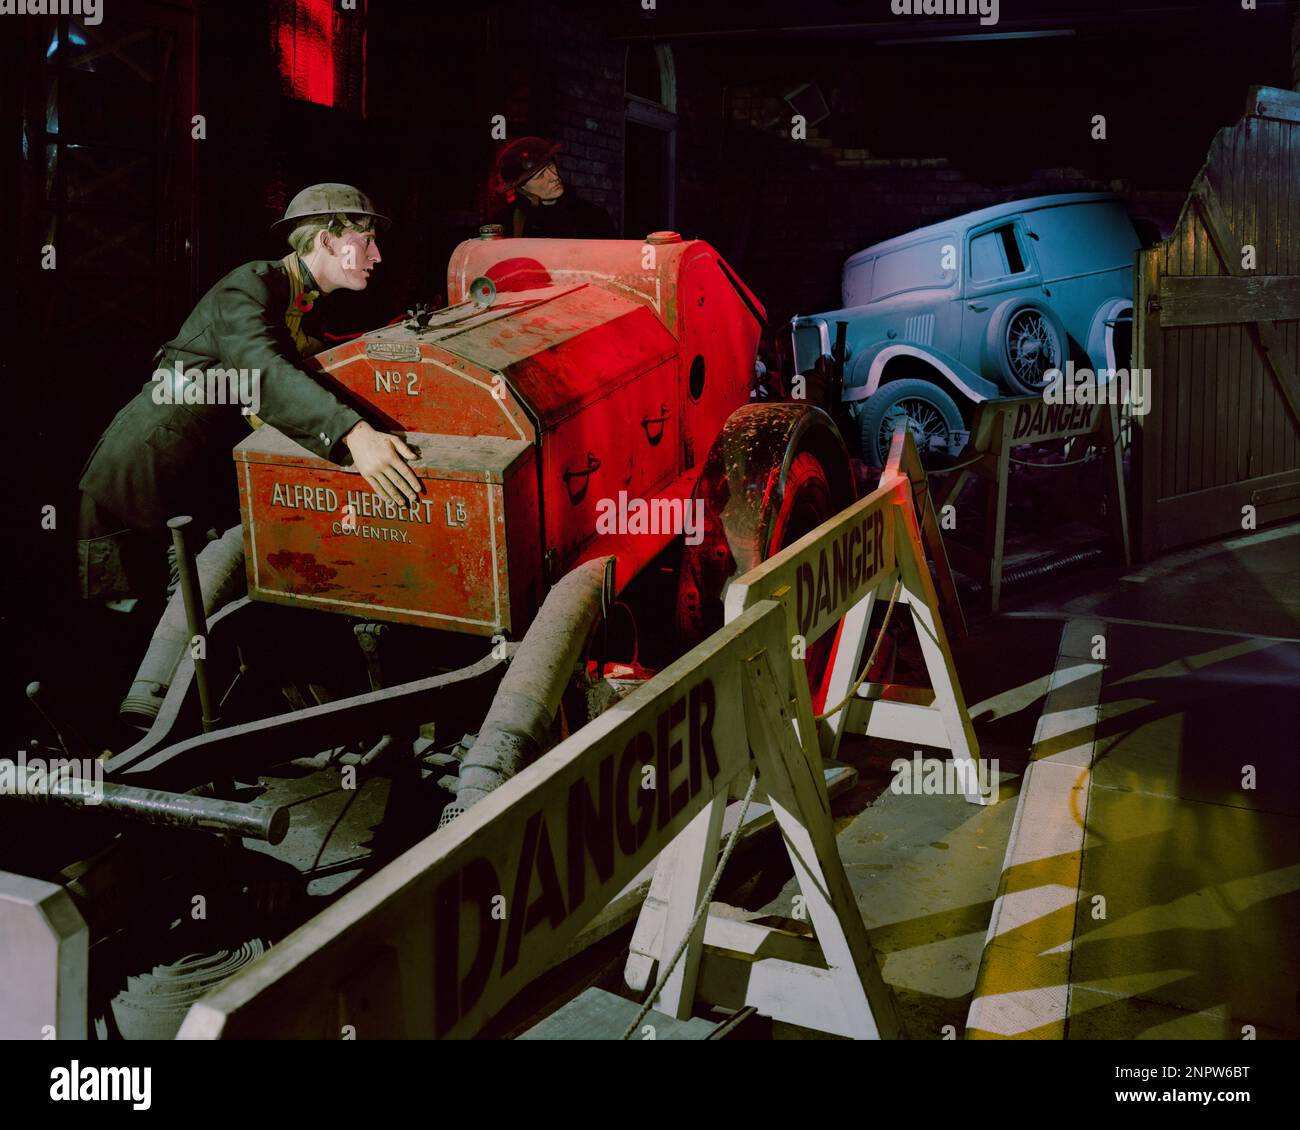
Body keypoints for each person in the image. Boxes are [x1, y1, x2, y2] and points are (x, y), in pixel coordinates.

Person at [76, 183, 422, 604]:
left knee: (197, 617)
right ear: (328, 241)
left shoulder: (302, 303)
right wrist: (353, 434)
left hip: (194, 481)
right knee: (143, 637)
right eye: (366, 241)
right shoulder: (250, 286)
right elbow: (262, 370)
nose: (377, 256)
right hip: (142, 480)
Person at [487, 136, 616, 239]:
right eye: (541, 175)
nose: (554, 176)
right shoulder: (504, 226)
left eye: (551, 166)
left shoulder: (594, 218)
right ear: (522, 188)